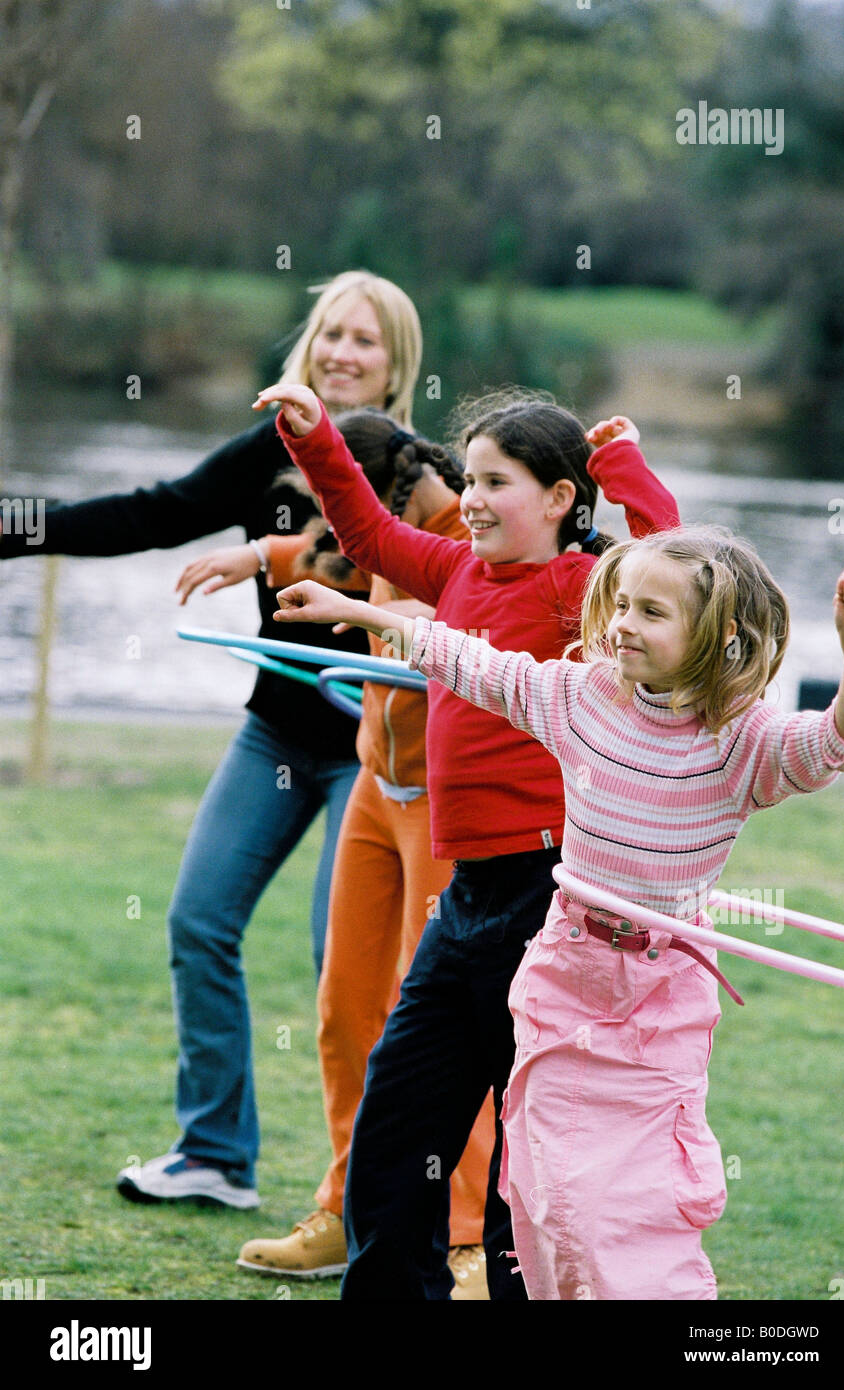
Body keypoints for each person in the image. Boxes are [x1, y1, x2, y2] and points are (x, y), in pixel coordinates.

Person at [278, 529, 844, 1299]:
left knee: (624, 1203)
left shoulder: (740, 742)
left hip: (657, 998)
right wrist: (372, 617)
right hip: (563, 974)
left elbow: (831, 745)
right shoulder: (583, 696)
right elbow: (480, 667)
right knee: (545, 1193)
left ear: (717, 633)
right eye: (621, 603)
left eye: (650, 612)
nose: (621, 623)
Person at [0, 271, 423, 1209]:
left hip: (376, 749)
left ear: (397, 364)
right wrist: (13, 524)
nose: (342, 353)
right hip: (277, 730)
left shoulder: (416, 471)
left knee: (344, 972)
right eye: (330, 334)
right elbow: (146, 513)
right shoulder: (269, 450)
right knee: (197, 921)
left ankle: (373, 1192)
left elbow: (456, 578)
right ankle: (216, 1155)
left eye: (365, 340)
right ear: (308, 347)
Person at [252, 378, 681, 1298]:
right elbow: (366, 536)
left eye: (497, 484)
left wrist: (625, 467)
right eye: (471, 481)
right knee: (399, 1121)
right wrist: (315, 436)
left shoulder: (584, 590)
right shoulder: (455, 573)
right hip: (468, 897)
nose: (473, 501)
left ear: (561, 500)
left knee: (527, 1151)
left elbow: (671, 563)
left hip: (549, 894)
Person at [186, 409, 498, 1295]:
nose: (327, 527)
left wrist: (353, 598)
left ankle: (465, 1233)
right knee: (345, 1010)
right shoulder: (373, 530)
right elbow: (325, 552)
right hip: (374, 785)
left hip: (444, 805)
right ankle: (348, 1205)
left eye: (336, 503)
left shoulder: (466, 543)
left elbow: (432, 610)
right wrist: (258, 555)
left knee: (435, 1027)